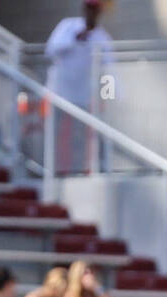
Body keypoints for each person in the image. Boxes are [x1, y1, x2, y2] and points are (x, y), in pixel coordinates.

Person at [43, 0, 112, 175]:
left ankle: (77, 171)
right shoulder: (67, 27)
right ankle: (51, 170)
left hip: (82, 96)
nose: (92, 13)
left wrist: (111, 96)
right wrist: (74, 39)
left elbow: (110, 69)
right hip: (59, 93)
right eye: (89, 8)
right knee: (54, 135)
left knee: (80, 138)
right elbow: (51, 49)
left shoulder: (102, 37)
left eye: (95, 9)